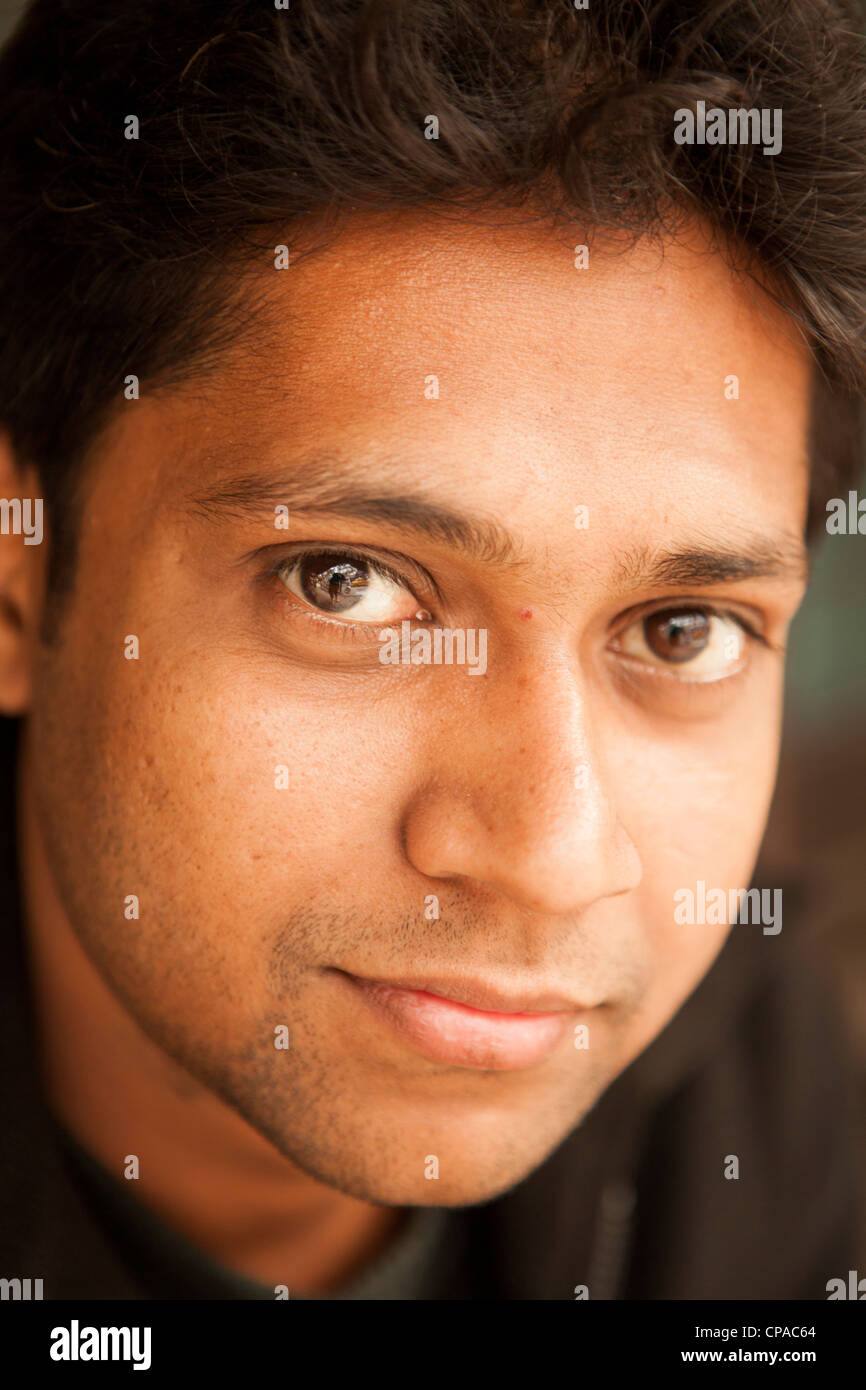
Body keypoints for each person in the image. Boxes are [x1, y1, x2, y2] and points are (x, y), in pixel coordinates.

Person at [0, 0, 863, 1300]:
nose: (551, 860)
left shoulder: (758, 1099)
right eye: (343, 585)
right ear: (19, 581)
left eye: (680, 630)